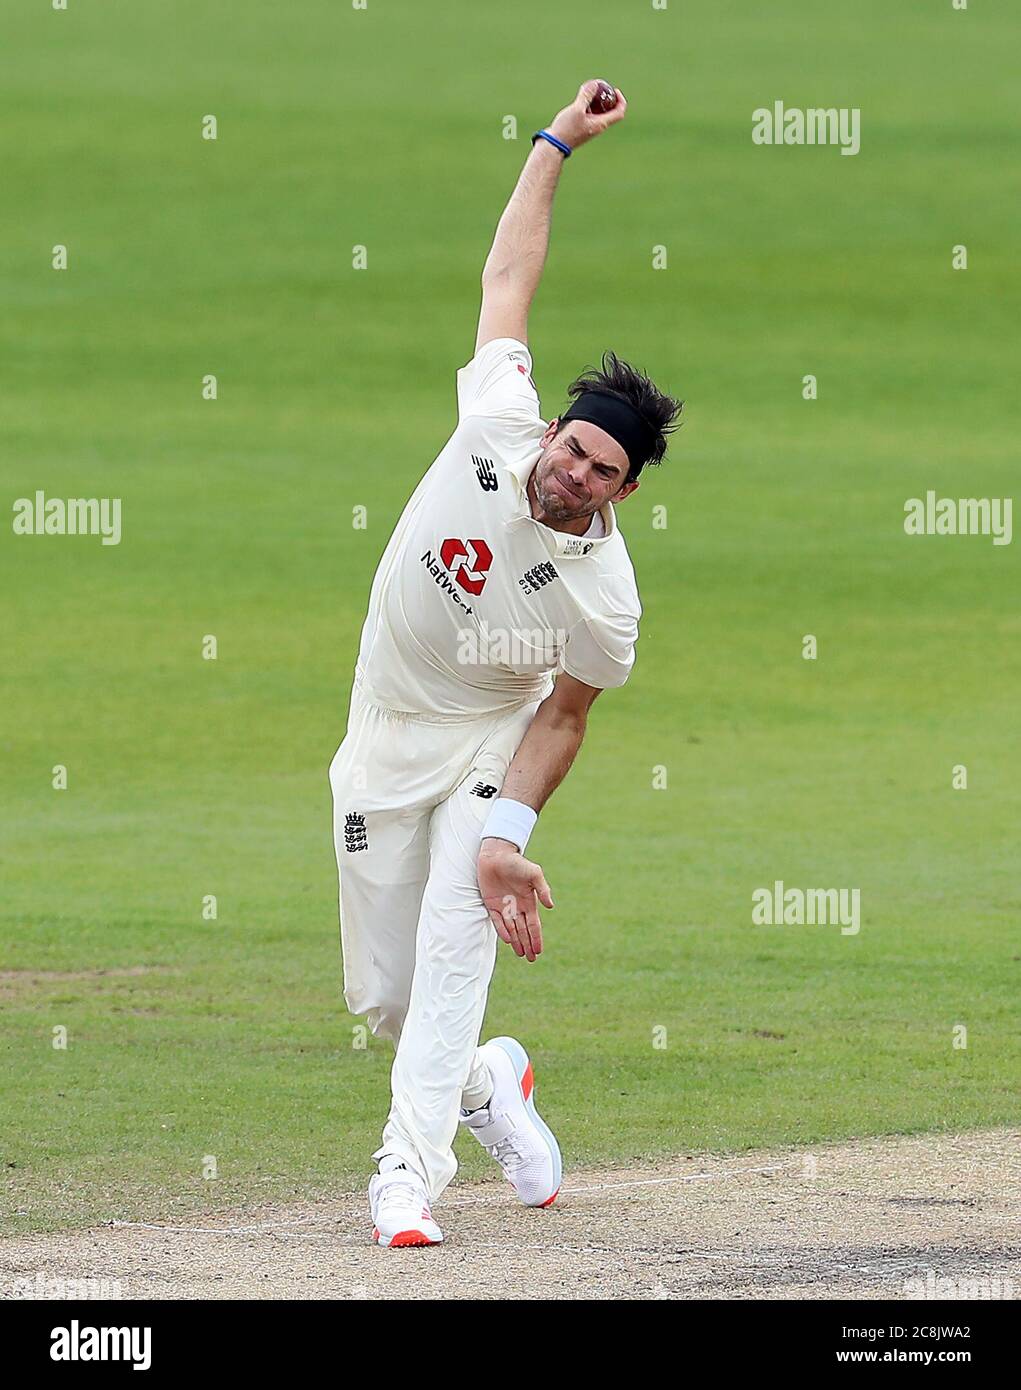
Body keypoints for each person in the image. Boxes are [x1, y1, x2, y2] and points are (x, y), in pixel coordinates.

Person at [329, 79, 682, 1247]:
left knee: (452, 941)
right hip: (384, 726)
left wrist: (505, 835)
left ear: (626, 490)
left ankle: (405, 1178)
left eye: (601, 471)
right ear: (556, 430)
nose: (573, 473)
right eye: (574, 447)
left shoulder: (604, 599)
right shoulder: (497, 419)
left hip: (491, 734)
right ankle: (490, 1086)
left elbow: (565, 717)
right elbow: (507, 278)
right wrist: (555, 142)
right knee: (388, 998)